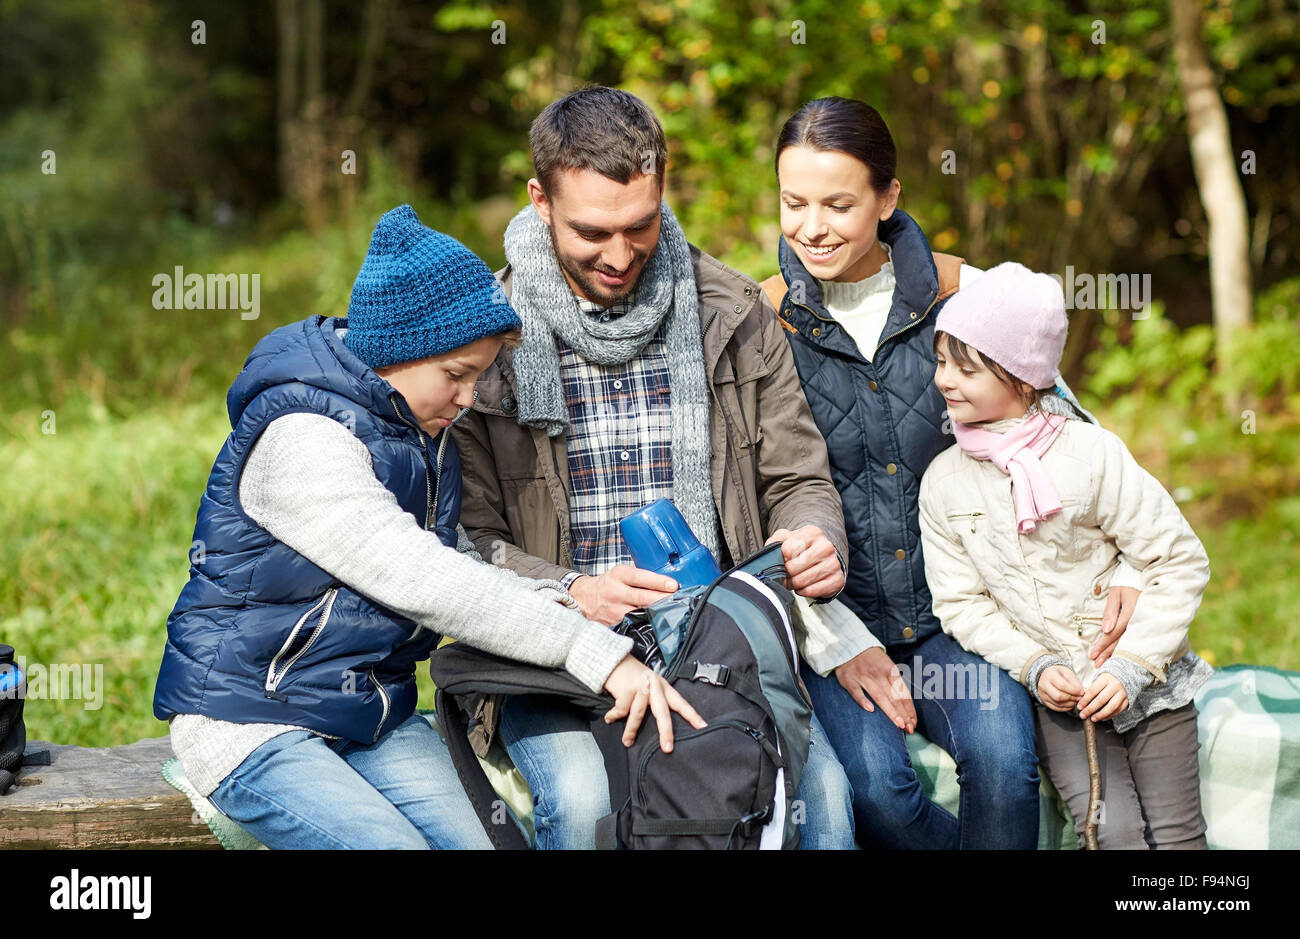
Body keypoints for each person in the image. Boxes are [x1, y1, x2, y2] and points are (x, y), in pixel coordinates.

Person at [153, 204, 702, 850]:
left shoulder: (415, 436)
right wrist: (593, 653)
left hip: (365, 715)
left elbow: (464, 564)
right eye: (457, 375)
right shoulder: (304, 441)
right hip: (252, 721)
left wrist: (568, 598)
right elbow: (427, 579)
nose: (468, 399)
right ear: (398, 349)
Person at [455, 85, 856, 849]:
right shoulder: (485, 344)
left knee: (824, 802)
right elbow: (467, 541)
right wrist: (576, 591)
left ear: (663, 186)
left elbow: (799, 478)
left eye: (639, 226)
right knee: (582, 805)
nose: (619, 254)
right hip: (555, 655)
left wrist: (814, 536)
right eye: (592, 232)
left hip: (717, 638)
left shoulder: (732, 314)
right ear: (540, 201)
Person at [759, 96, 1144, 849]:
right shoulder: (762, 320)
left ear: (889, 197)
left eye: (838, 204)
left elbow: (1066, 433)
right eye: (793, 202)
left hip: (964, 615)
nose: (811, 227)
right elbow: (754, 500)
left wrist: (1129, 557)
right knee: (876, 791)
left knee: (1004, 763)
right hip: (833, 626)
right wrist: (837, 639)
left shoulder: (965, 293)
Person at [918, 261, 1212, 849]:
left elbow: (1177, 559)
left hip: (1151, 684)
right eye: (942, 360)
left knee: (1179, 838)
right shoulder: (944, 482)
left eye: (967, 368)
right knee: (1112, 831)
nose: (946, 379)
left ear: (1024, 379)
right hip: (1063, 701)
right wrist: (1031, 665)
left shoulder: (1092, 454)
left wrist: (1131, 664)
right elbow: (961, 604)